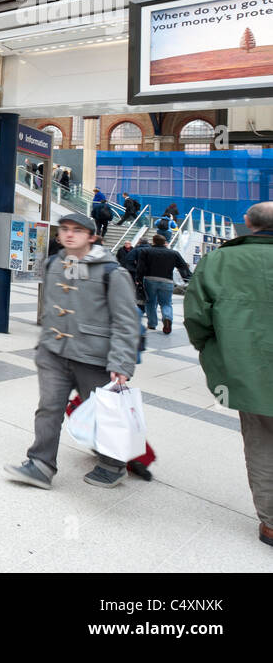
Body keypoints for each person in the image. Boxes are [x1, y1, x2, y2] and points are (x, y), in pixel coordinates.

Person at [4, 211, 140, 490]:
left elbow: (126, 321)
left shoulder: (111, 272)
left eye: (77, 230)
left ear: (92, 237)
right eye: (64, 229)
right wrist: (44, 346)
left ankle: (112, 465)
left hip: (94, 358)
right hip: (54, 352)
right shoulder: (54, 263)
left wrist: (122, 363)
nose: (68, 234)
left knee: (105, 414)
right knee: (48, 409)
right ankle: (40, 464)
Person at [184, 201, 273, 548]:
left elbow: (196, 317)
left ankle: (270, 523)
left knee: (262, 443)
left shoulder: (220, 260)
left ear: (248, 223)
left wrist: (212, 351)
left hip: (248, 372)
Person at [135, 234, 191, 334]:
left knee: (150, 302)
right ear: (165, 242)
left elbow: (140, 267)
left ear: (153, 241)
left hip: (150, 279)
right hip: (167, 281)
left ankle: (152, 324)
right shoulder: (174, 253)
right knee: (166, 303)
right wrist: (187, 279)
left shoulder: (146, 251)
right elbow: (182, 266)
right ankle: (167, 318)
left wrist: (138, 279)